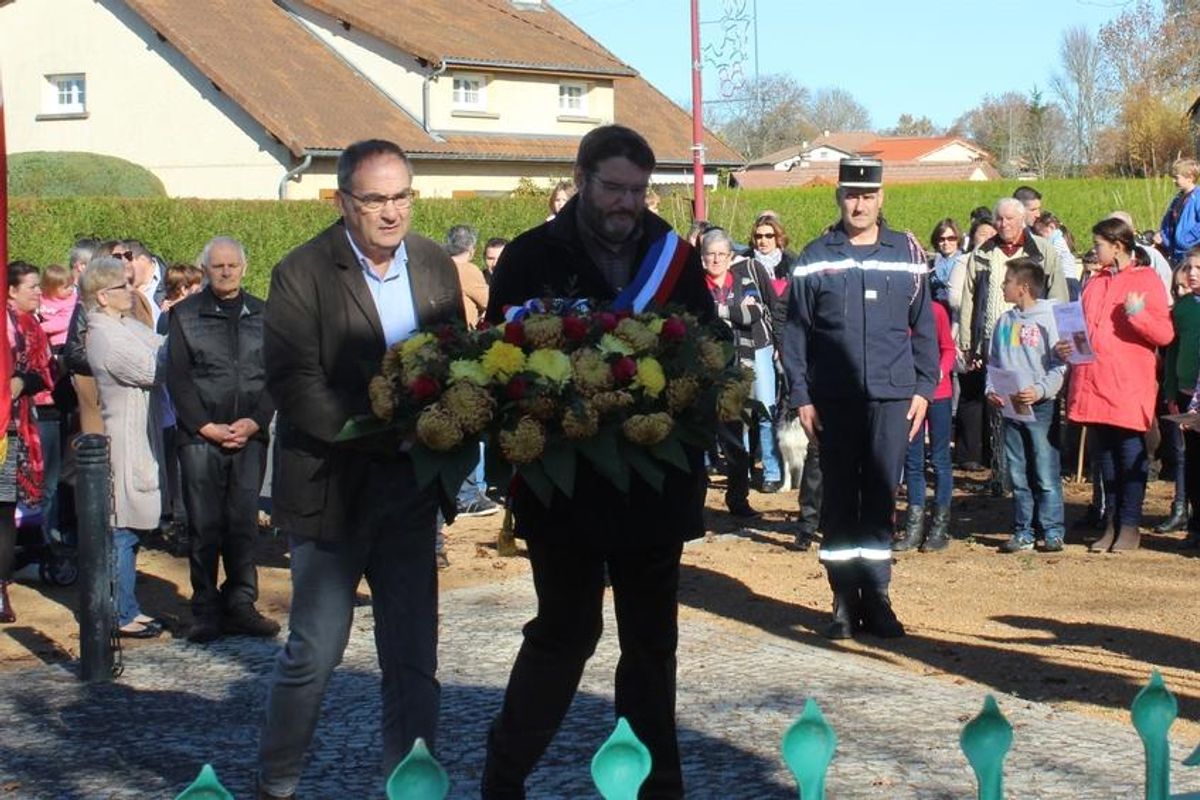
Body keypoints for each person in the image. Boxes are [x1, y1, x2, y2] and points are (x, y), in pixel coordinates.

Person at [480, 125, 716, 800]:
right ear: (581, 179)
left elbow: (706, 340)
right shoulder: (530, 255)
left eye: (638, 191)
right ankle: (504, 778)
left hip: (654, 484)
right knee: (563, 634)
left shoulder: (673, 255)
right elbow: (502, 361)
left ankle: (655, 786)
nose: (626, 203)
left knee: (652, 643)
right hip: (565, 485)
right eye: (613, 187)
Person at [256, 139, 463, 800]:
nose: (391, 212)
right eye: (375, 199)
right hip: (331, 491)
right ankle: (277, 780)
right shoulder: (301, 272)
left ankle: (412, 782)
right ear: (345, 200)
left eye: (401, 196)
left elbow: (455, 355)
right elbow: (295, 384)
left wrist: (449, 424)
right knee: (314, 653)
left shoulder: (432, 262)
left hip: (409, 491)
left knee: (413, 656)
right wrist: (385, 434)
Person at [782, 157, 938, 640]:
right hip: (833, 400)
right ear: (839, 197)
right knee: (837, 504)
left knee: (878, 498)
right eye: (852, 195)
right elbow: (796, 335)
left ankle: (879, 596)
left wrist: (924, 389)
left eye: (868, 196)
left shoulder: (906, 254)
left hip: (892, 399)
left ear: (881, 198)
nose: (860, 204)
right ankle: (843, 600)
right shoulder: (814, 257)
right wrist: (802, 396)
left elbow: (924, 328)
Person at [168, 236, 278, 644]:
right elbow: (177, 378)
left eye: (233, 265)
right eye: (218, 266)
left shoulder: (265, 314)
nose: (227, 271)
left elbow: (275, 375)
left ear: (244, 268)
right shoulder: (186, 315)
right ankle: (205, 609)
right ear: (206, 270)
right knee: (204, 525)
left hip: (250, 435)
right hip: (201, 438)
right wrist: (204, 426)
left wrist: (255, 421)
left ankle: (241, 603)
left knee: (243, 523)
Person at [1057, 218, 1173, 553]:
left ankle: (1130, 524)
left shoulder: (1146, 279)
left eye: (1098, 245)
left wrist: (1137, 315)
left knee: (1129, 454)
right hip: (1093, 383)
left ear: (1117, 246)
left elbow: (1163, 334)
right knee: (1104, 458)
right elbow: (1080, 325)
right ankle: (1110, 523)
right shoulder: (1095, 282)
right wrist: (1066, 346)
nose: (1094, 251)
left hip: (1126, 383)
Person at [958, 197, 1069, 494]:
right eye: (999, 219)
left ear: (1023, 220)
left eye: (1009, 219)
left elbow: (1059, 297)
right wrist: (970, 343)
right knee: (1000, 412)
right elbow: (971, 297)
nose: (1003, 224)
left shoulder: (1043, 252)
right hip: (997, 339)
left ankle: (1041, 482)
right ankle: (1003, 476)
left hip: (1037, 348)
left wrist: (1063, 338)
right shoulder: (982, 253)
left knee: (1037, 417)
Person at [82, 256, 166, 638]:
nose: (130, 292)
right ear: (102, 296)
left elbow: (160, 345)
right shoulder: (103, 335)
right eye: (122, 287)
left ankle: (128, 605)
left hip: (140, 436)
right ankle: (119, 612)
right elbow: (152, 368)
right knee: (121, 529)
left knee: (131, 529)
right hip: (123, 442)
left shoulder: (124, 325)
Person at [985, 259, 1067, 553]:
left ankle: (1052, 530)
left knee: (1045, 470)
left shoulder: (1049, 319)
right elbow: (994, 362)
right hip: (1011, 408)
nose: (1002, 286)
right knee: (1017, 473)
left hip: (1040, 407)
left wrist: (1041, 390)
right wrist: (992, 389)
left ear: (1023, 288)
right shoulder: (1004, 322)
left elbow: (1059, 366)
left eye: (1007, 281)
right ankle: (1023, 530)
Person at [701, 227, 784, 513]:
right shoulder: (697, 286)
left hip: (738, 369)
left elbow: (754, 314)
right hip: (704, 372)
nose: (715, 260)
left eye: (721, 254)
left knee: (735, 439)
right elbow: (696, 316)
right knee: (700, 440)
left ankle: (738, 499)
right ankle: (695, 502)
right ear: (702, 258)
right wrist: (732, 309)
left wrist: (718, 310)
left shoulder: (744, 280)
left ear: (729, 256)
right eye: (710, 254)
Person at [0, 262, 54, 624]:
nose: (39, 292)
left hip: (11, 428)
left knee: (3, 507)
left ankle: (0, 585)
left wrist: (20, 381)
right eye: (31, 287)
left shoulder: (31, 327)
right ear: (11, 291)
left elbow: (43, 375)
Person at [893, 288, 956, 553]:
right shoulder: (894, 313)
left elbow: (948, 349)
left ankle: (940, 527)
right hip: (907, 393)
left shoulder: (936, 311)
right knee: (913, 460)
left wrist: (938, 373)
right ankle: (914, 526)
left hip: (938, 393)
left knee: (940, 459)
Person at [1168, 246, 1200, 548]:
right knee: (1192, 461)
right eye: (1188, 267)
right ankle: (1195, 523)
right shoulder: (1183, 308)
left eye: (1198, 268)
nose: (1191, 274)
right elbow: (1173, 351)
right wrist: (1171, 391)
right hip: (1186, 392)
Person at [445, 224, 489, 328]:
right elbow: (488, 302)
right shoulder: (468, 270)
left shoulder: (439, 263)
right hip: (461, 333)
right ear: (471, 248)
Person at [1160, 158, 1200, 264]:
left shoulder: (1198, 197)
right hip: (1174, 254)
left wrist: (1185, 240)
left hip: (1190, 253)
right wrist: (1164, 237)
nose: (1173, 180)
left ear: (1190, 178)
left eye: (1176, 177)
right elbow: (1167, 221)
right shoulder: (1178, 198)